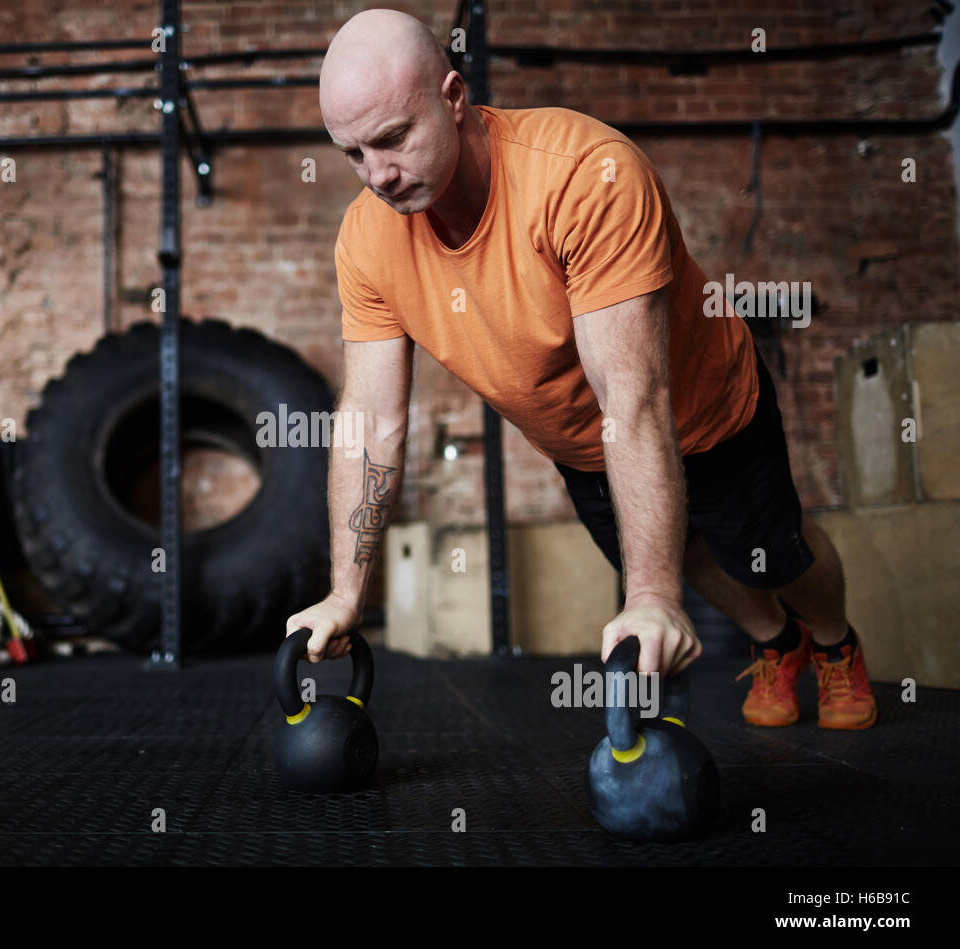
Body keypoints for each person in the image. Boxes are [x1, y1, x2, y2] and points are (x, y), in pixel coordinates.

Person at [285, 8, 876, 730]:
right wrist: (346, 594)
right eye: (352, 153)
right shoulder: (366, 239)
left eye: (393, 138)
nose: (378, 174)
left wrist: (649, 599)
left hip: (705, 408)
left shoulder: (585, 176)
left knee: (772, 556)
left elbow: (633, 398)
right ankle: (777, 643)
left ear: (453, 96)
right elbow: (371, 418)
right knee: (692, 557)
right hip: (582, 446)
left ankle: (833, 642)